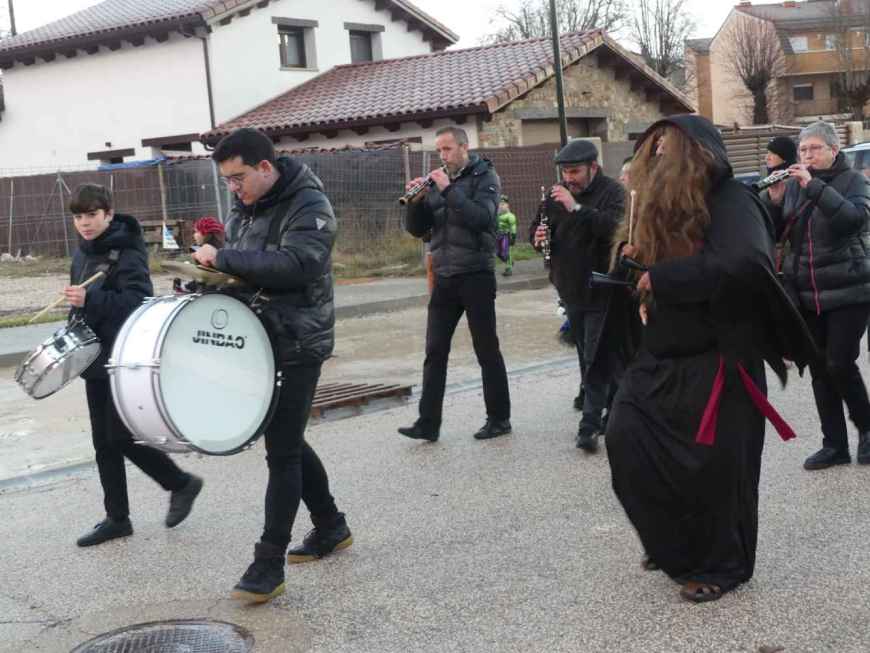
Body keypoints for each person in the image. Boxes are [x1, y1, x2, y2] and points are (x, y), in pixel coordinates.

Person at [606, 115, 816, 603]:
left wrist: (665, 279)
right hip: (658, 359)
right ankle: (671, 542)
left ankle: (723, 566)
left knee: (719, 473)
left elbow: (746, 263)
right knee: (626, 440)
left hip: (719, 360)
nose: (654, 158)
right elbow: (635, 277)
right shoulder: (653, 208)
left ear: (693, 154)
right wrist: (628, 262)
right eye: (650, 149)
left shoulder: (731, 200)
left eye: (665, 148)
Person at [193, 128, 352, 603]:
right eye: (226, 181)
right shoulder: (246, 205)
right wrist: (205, 278)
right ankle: (330, 524)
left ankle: (268, 563)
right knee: (287, 437)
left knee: (281, 451)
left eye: (238, 178)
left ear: (266, 167)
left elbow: (297, 264)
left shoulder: (310, 204)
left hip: (300, 339)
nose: (233, 189)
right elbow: (242, 270)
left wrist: (224, 256)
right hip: (258, 337)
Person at [66, 183, 203, 548]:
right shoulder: (80, 254)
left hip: (123, 355)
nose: (85, 223)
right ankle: (117, 518)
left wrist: (90, 298)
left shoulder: (127, 250)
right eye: (78, 216)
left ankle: (181, 483)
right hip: (92, 353)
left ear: (108, 214)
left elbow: (136, 301)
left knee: (120, 436)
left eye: (92, 214)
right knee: (102, 443)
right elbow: (80, 304)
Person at [764, 121, 870, 470]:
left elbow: (852, 220)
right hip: (807, 293)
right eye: (803, 150)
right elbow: (781, 236)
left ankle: (867, 431)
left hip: (849, 289)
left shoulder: (854, 181)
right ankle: (834, 445)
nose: (807, 155)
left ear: (834, 150)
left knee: (839, 362)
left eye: (814, 149)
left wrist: (814, 188)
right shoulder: (794, 186)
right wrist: (776, 205)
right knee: (820, 370)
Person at [399, 126, 511, 442]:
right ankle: (428, 422)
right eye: (439, 151)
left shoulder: (486, 177)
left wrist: (449, 190)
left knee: (486, 349)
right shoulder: (436, 183)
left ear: (464, 147)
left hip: (476, 273)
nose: (443, 156)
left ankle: (499, 418)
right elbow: (418, 230)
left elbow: (481, 218)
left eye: (447, 149)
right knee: (434, 351)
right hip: (445, 275)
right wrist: (417, 203)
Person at [529, 139, 625, 451]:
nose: (568, 178)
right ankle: (616, 409)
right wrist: (537, 237)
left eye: (575, 171)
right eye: (565, 172)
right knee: (590, 353)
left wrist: (577, 208)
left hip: (602, 284)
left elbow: (615, 229)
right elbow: (535, 229)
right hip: (569, 286)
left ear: (593, 167)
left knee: (595, 354)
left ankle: (589, 424)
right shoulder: (555, 196)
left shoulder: (613, 192)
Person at [496, 195, 517, 276]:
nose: (501, 206)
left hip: (506, 235)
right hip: (497, 235)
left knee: (505, 251)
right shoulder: (496, 215)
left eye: (503, 204)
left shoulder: (510, 216)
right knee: (498, 252)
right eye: (500, 204)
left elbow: (513, 227)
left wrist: (513, 236)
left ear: (507, 205)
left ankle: (508, 268)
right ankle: (510, 262)